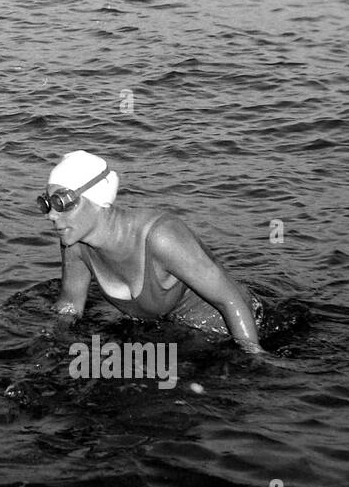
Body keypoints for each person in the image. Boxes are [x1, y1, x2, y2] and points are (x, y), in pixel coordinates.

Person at [39, 150, 267, 354]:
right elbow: (69, 307)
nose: (51, 215)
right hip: (169, 333)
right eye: (47, 204)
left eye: (63, 202)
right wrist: (45, 345)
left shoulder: (161, 237)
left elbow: (231, 301)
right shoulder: (74, 243)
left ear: (98, 198)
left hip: (226, 331)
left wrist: (253, 357)